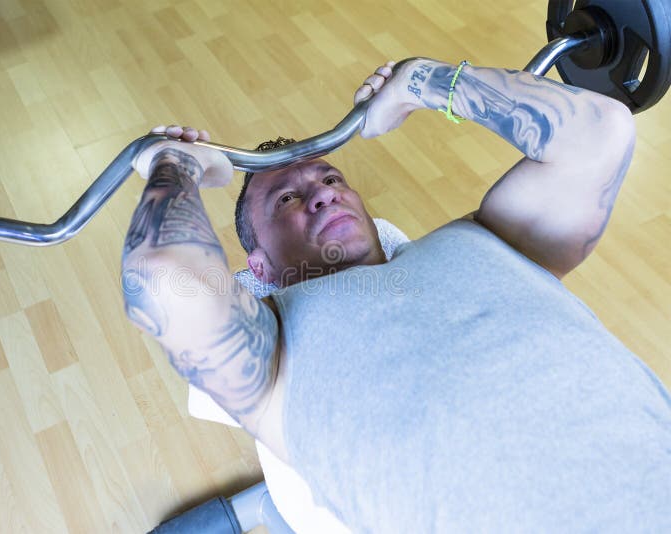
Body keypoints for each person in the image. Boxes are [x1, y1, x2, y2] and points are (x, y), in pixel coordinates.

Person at [122, 58, 671, 532]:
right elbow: (164, 274)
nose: (320, 195)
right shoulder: (271, 357)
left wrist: (420, 83)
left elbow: (602, 134)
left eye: (331, 178)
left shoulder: (487, 238)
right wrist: (177, 164)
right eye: (286, 198)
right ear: (259, 266)